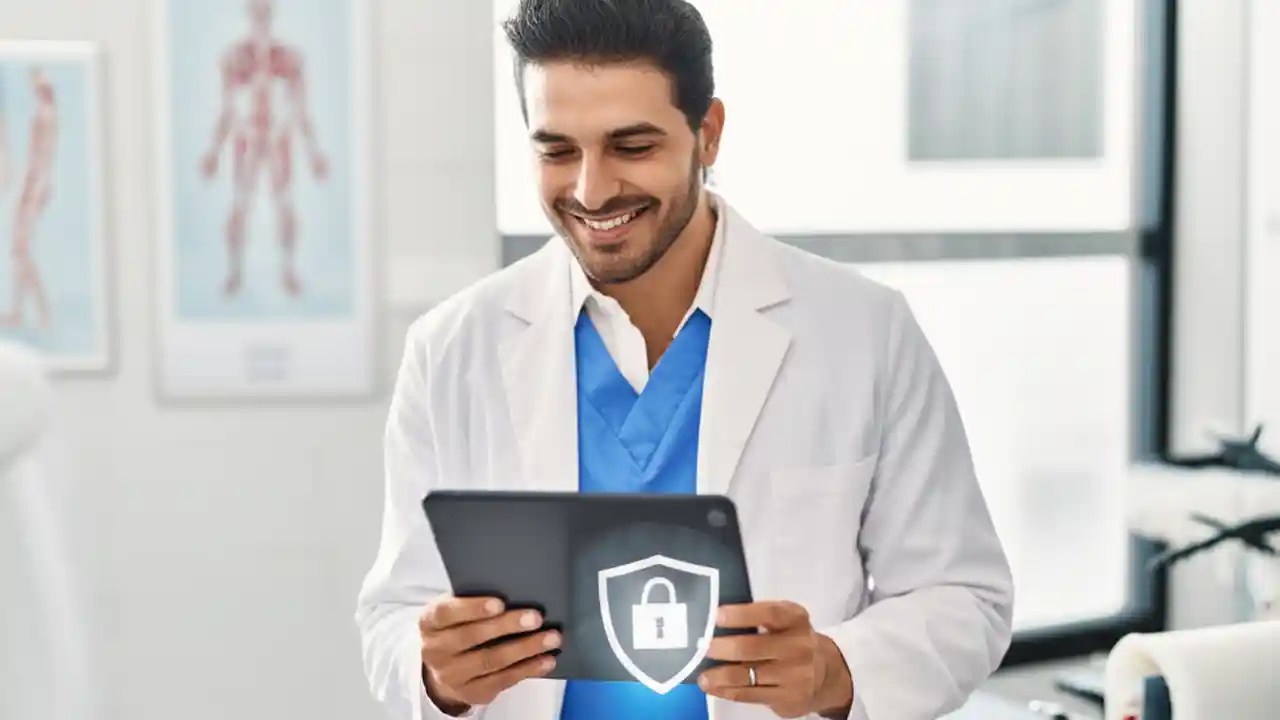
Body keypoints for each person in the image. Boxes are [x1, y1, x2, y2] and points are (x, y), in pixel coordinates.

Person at [355, 1, 1014, 718]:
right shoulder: (453, 349)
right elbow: (395, 614)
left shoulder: (863, 331)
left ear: (708, 134)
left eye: (631, 147)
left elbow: (964, 598)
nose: (591, 190)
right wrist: (440, 676)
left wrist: (834, 668)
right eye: (557, 151)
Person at [200, 0, 328, 298]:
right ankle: (235, 272)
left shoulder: (290, 58)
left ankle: (288, 270)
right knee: (240, 204)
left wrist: (314, 155)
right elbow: (228, 109)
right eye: (256, 11)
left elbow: (300, 110)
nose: (260, 17)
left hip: (276, 138)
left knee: (284, 203)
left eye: (265, 11)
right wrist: (214, 153)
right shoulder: (234, 58)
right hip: (247, 137)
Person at [2, 69, 56, 330]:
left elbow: (44, 158)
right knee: (19, 249)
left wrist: (34, 193)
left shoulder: (46, 115)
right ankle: (18, 311)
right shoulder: (42, 112)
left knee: (21, 249)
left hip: (37, 186)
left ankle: (43, 313)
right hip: (32, 185)